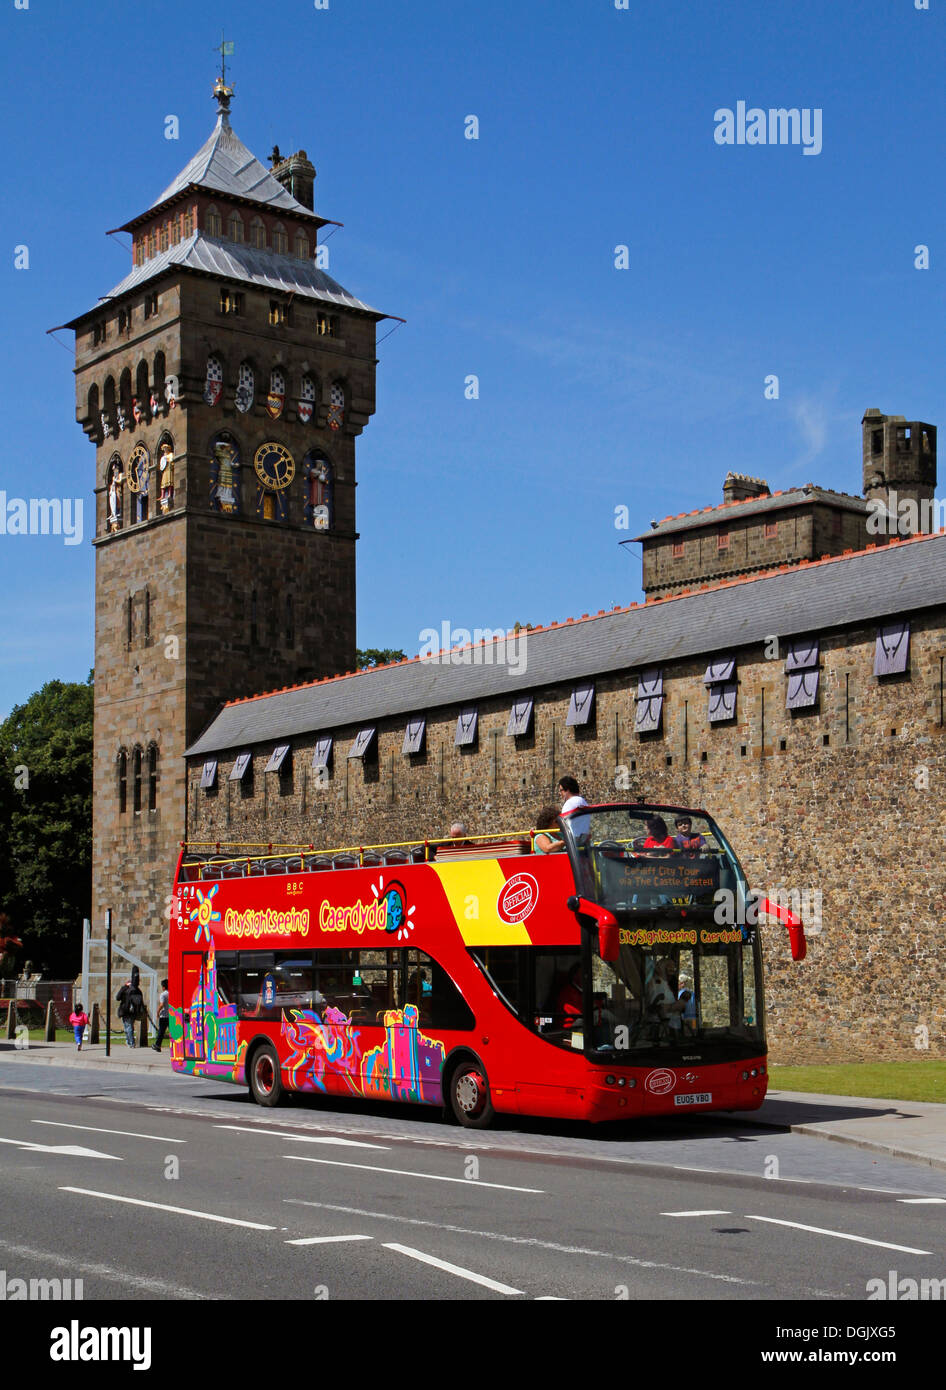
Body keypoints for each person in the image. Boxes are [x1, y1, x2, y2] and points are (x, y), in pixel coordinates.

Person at [116, 971, 144, 1048]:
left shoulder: (125, 989)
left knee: (128, 1027)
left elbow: (118, 997)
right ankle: (129, 1041)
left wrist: (124, 987)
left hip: (126, 1010)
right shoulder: (138, 990)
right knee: (129, 1026)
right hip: (134, 1011)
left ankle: (131, 1042)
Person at [555, 962, 583, 1028]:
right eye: (582, 973)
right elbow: (576, 1014)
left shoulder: (579, 990)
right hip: (569, 1026)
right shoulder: (568, 992)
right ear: (575, 975)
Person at [151, 979, 170, 1052]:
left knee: (161, 1031)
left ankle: (157, 1045)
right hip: (170, 1015)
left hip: (164, 1015)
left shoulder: (163, 994)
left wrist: (158, 1011)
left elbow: (162, 1004)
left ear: (163, 987)